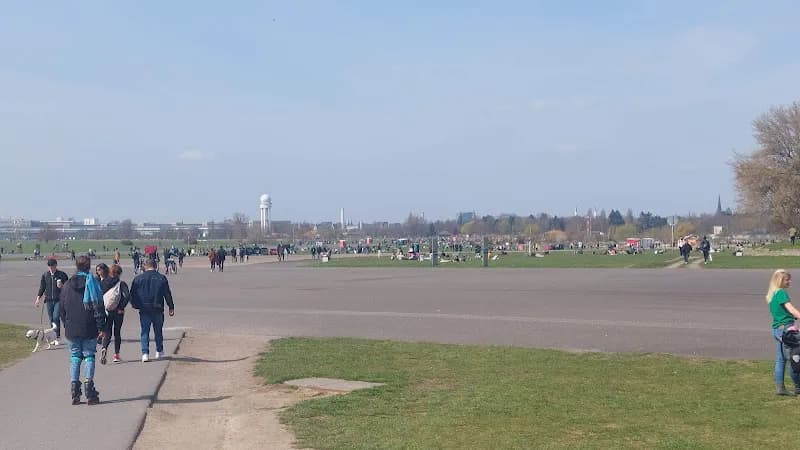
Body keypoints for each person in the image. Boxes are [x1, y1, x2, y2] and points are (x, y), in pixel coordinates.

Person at [59, 255, 106, 405]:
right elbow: (98, 307)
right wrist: (101, 327)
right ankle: (89, 388)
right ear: (89, 266)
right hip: (89, 326)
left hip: (72, 327)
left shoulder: (66, 285)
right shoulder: (93, 282)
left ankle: (74, 388)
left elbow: (62, 308)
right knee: (89, 355)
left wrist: (66, 324)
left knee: (75, 357)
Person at [130, 259, 175, 362]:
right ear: (156, 266)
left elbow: (132, 294)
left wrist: (135, 305)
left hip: (144, 308)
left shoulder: (138, 278)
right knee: (158, 330)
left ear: (145, 266)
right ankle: (159, 351)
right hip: (157, 307)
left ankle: (145, 353)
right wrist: (171, 306)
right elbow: (167, 294)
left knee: (145, 331)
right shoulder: (161, 278)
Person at [767, 269, 800, 396]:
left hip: (778, 329)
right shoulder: (781, 293)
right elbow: (791, 309)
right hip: (786, 329)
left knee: (781, 359)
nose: (789, 281)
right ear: (780, 280)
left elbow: (782, 312)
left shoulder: (773, 294)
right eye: (787, 279)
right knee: (794, 357)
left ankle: (781, 388)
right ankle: (798, 386)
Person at [34, 258, 69, 345]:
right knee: (51, 319)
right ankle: (54, 336)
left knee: (56, 317)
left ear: (56, 266)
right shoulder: (45, 275)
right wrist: (38, 298)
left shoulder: (62, 275)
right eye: (49, 266)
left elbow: (68, 286)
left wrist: (62, 286)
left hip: (59, 300)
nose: (51, 268)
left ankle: (57, 337)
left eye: (52, 266)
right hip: (49, 300)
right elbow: (42, 287)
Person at [100, 264, 130, 364]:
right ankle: (116, 355)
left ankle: (104, 348)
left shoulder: (103, 282)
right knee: (117, 332)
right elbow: (127, 296)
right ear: (120, 273)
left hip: (107, 311)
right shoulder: (121, 283)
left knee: (108, 332)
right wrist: (121, 307)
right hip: (118, 312)